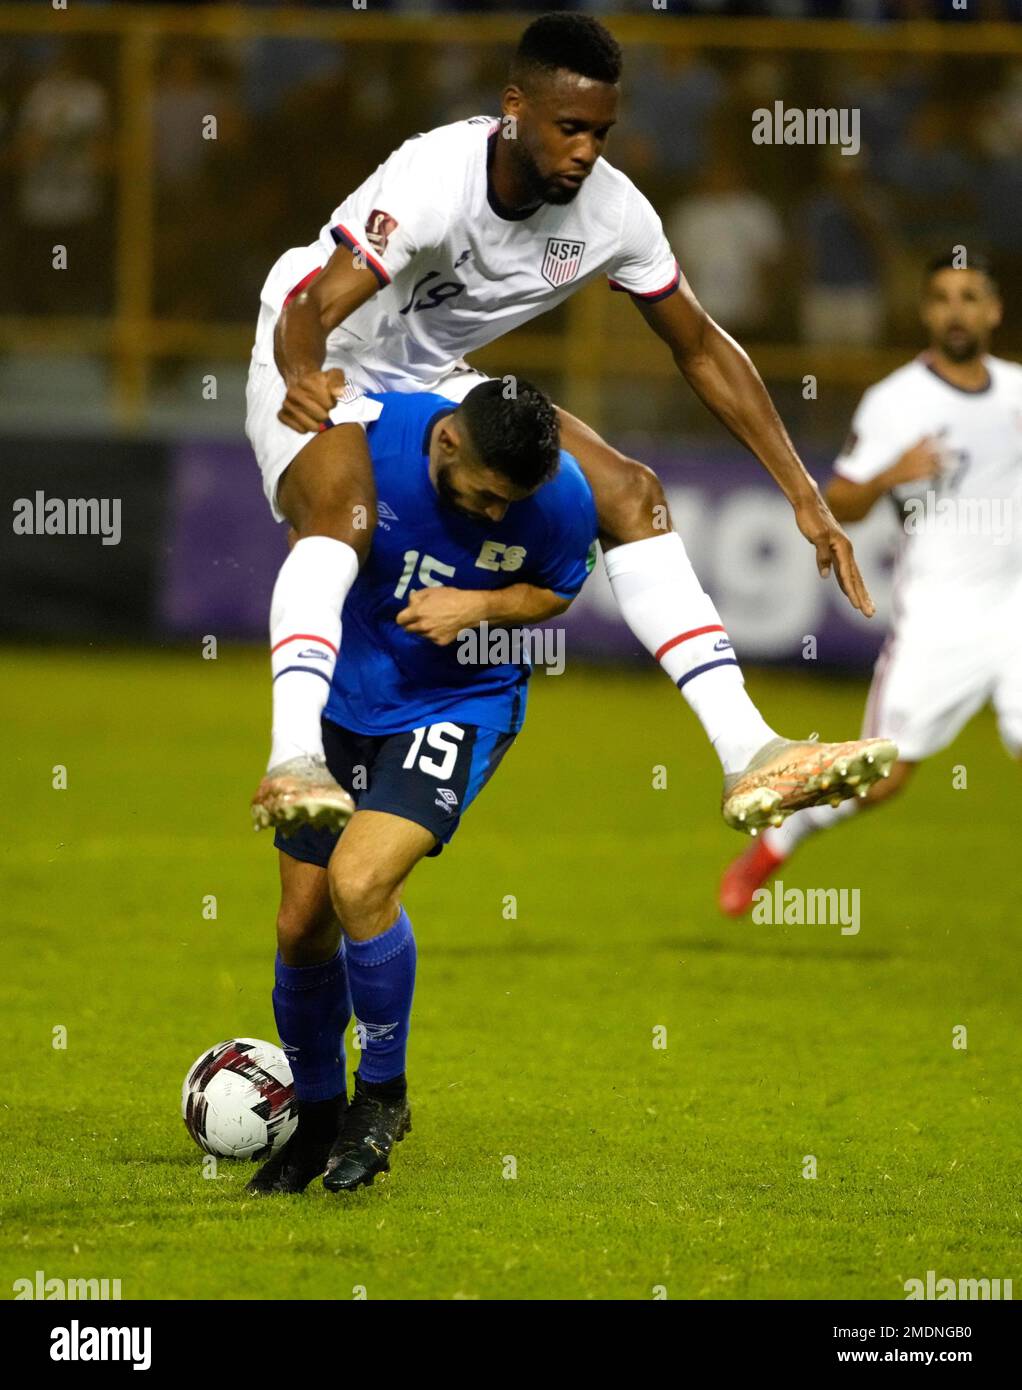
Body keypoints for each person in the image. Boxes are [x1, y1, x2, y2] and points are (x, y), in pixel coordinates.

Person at [245, 11, 891, 845]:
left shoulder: (615, 214)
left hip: (430, 372)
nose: (586, 150)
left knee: (629, 491)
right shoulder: (434, 177)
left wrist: (804, 493)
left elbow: (699, 346)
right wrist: (302, 377)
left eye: (601, 131)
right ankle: (293, 757)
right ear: (515, 108)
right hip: (320, 350)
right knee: (343, 509)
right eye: (569, 128)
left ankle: (749, 749)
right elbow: (314, 306)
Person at [248, 378, 597, 1196]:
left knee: (359, 882)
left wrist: (482, 607)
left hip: (457, 701)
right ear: (445, 445)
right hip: (344, 696)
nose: (496, 516)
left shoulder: (562, 497)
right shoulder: (363, 443)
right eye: (482, 497)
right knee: (301, 925)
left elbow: (560, 584)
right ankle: (318, 1117)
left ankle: (383, 1096)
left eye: (512, 504)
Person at [720, 253, 1022, 916]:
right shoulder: (897, 400)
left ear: (994, 310)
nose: (957, 310)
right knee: (881, 777)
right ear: (926, 312)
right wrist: (894, 472)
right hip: (942, 615)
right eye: (943, 297)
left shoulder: (1016, 393)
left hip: (1018, 609)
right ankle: (774, 844)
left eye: (970, 296)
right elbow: (841, 500)